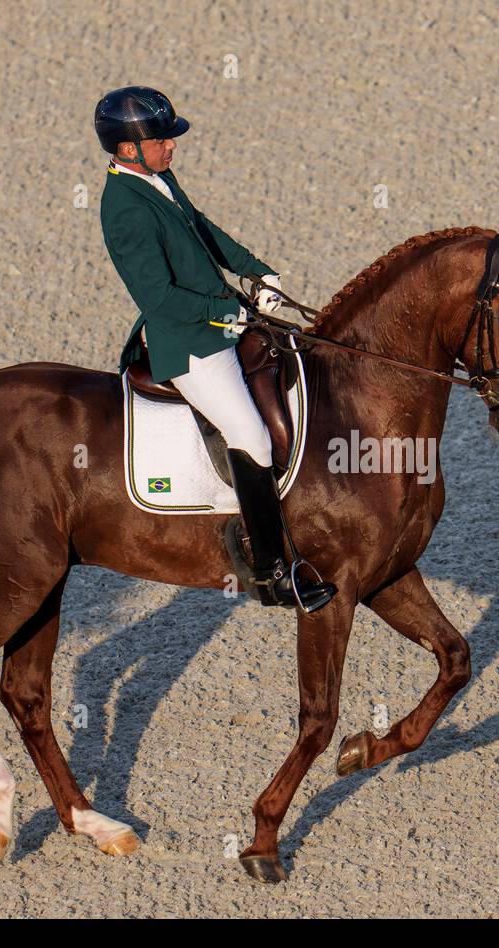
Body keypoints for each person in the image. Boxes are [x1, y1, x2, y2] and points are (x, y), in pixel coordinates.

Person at [95, 86, 335, 612]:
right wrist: (229, 312)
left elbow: (201, 229)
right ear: (129, 148)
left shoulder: (157, 177)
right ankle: (272, 573)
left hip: (218, 318)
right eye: (162, 140)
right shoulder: (123, 210)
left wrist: (255, 268)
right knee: (249, 433)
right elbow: (158, 297)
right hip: (188, 341)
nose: (172, 146)